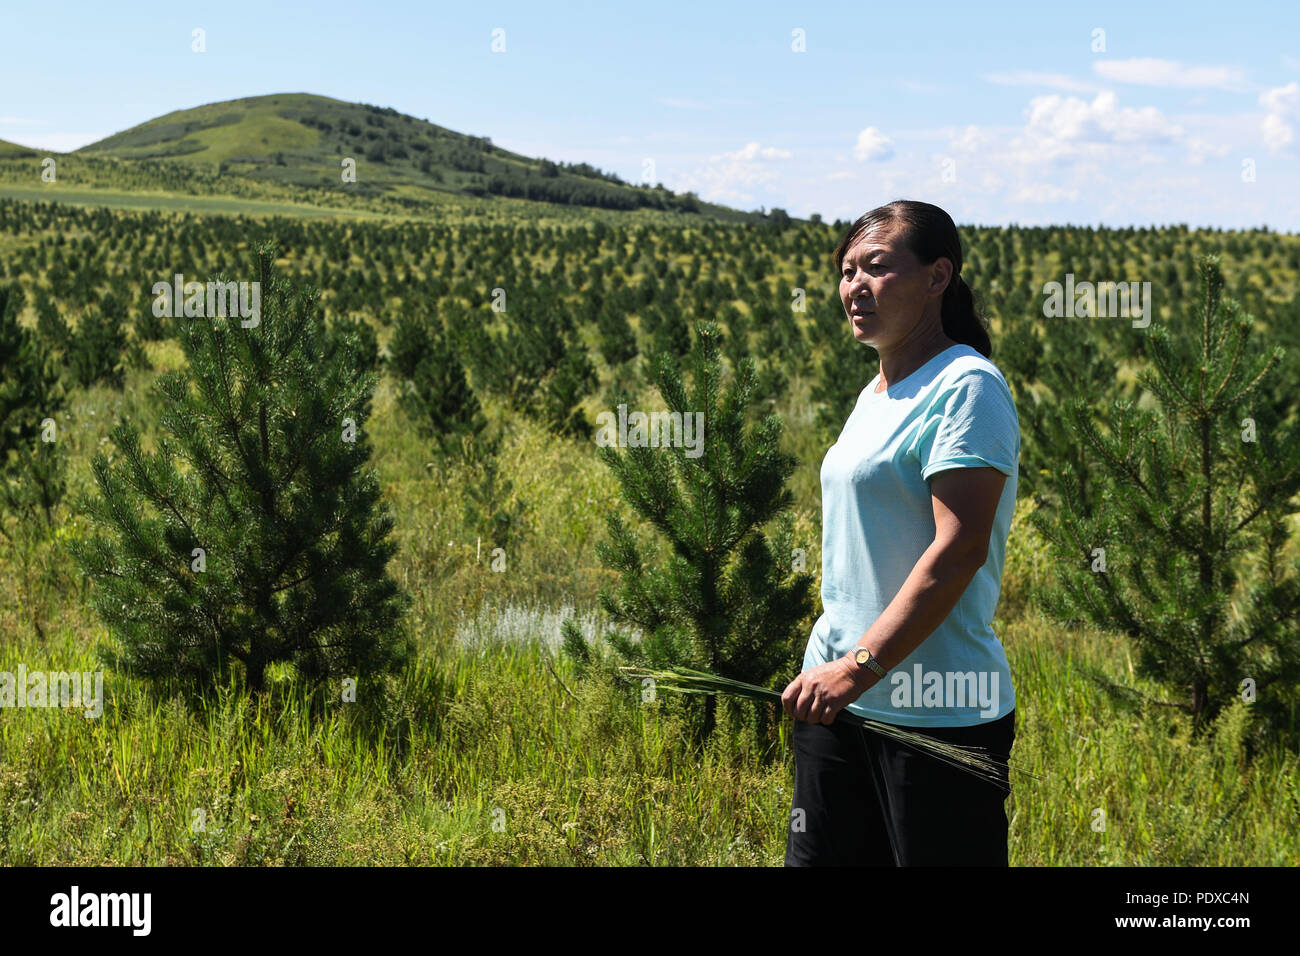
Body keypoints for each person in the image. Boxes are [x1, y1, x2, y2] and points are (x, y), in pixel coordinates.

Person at [782, 199, 1020, 866]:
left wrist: (862, 666)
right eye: (847, 270)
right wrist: (838, 671)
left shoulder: (968, 386)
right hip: (837, 704)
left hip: (934, 711)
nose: (856, 286)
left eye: (877, 268)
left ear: (938, 277)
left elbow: (960, 547)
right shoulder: (875, 394)